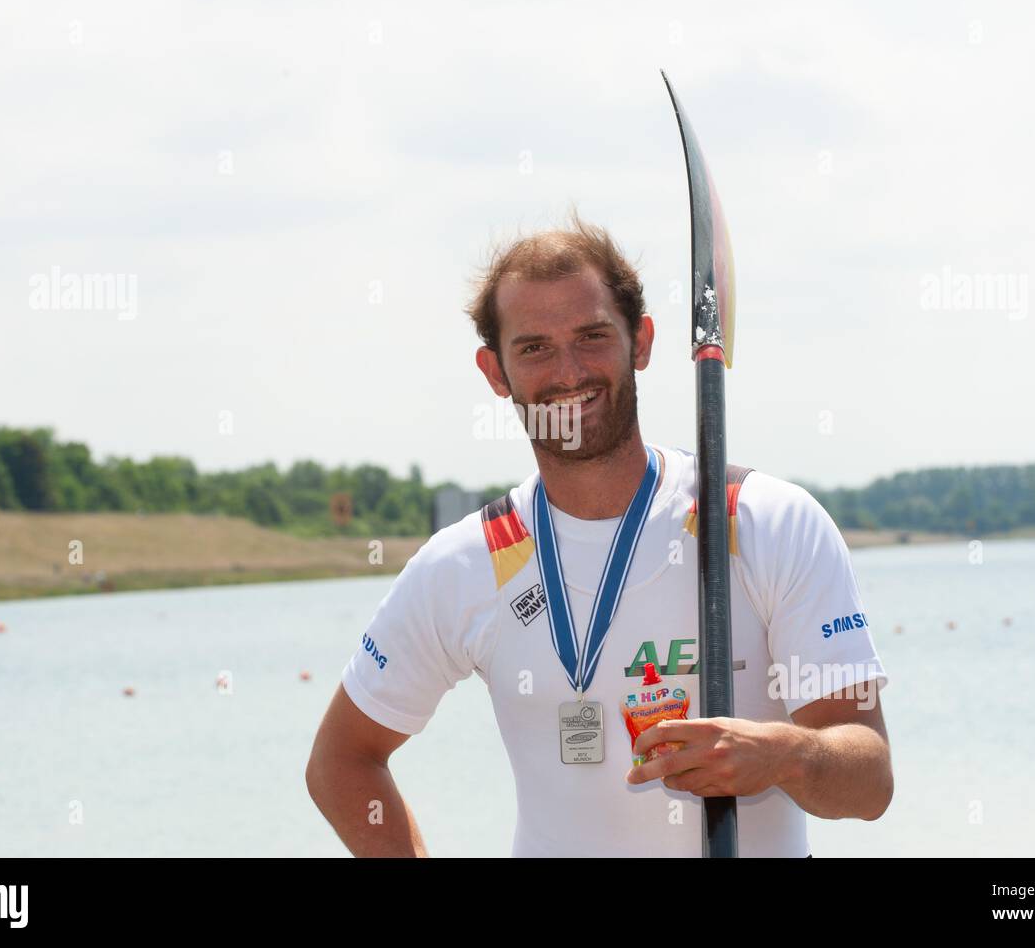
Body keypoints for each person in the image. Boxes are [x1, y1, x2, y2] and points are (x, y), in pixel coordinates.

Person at [305, 213, 892, 857]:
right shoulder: (466, 562)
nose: (568, 372)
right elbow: (341, 763)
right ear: (495, 372)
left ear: (640, 342)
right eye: (533, 347)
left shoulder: (764, 521)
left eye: (591, 336)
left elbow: (869, 782)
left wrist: (785, 755)